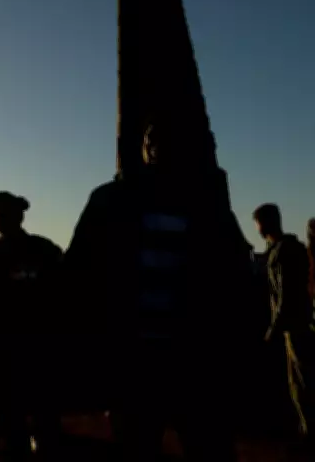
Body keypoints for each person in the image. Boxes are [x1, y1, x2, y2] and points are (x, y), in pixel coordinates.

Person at [64, 121, 253, 461]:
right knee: (139, 443)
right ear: (142, 149)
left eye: (168, 141)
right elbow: (79, 272)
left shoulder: (208, 205)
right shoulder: (110, 200)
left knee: (206, 444)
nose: (158, 148)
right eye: (152, 140)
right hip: (131, 354)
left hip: (193, 353)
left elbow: (235, 274)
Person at [0, 191, 64, 461]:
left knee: (37, 420)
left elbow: (60, 296)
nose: (0, 220)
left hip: (33, 346)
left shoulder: (42, 250)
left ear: (18, 216)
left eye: (4, 215)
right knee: (19, 421)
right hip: (11, 348)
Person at [254, 204, 314, 442]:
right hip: (297, 324)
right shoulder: (286, 249)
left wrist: (272, 330)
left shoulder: (281, 252)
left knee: (302, 383)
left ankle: (309, 430)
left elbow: (284, 296)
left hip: (294, 327)